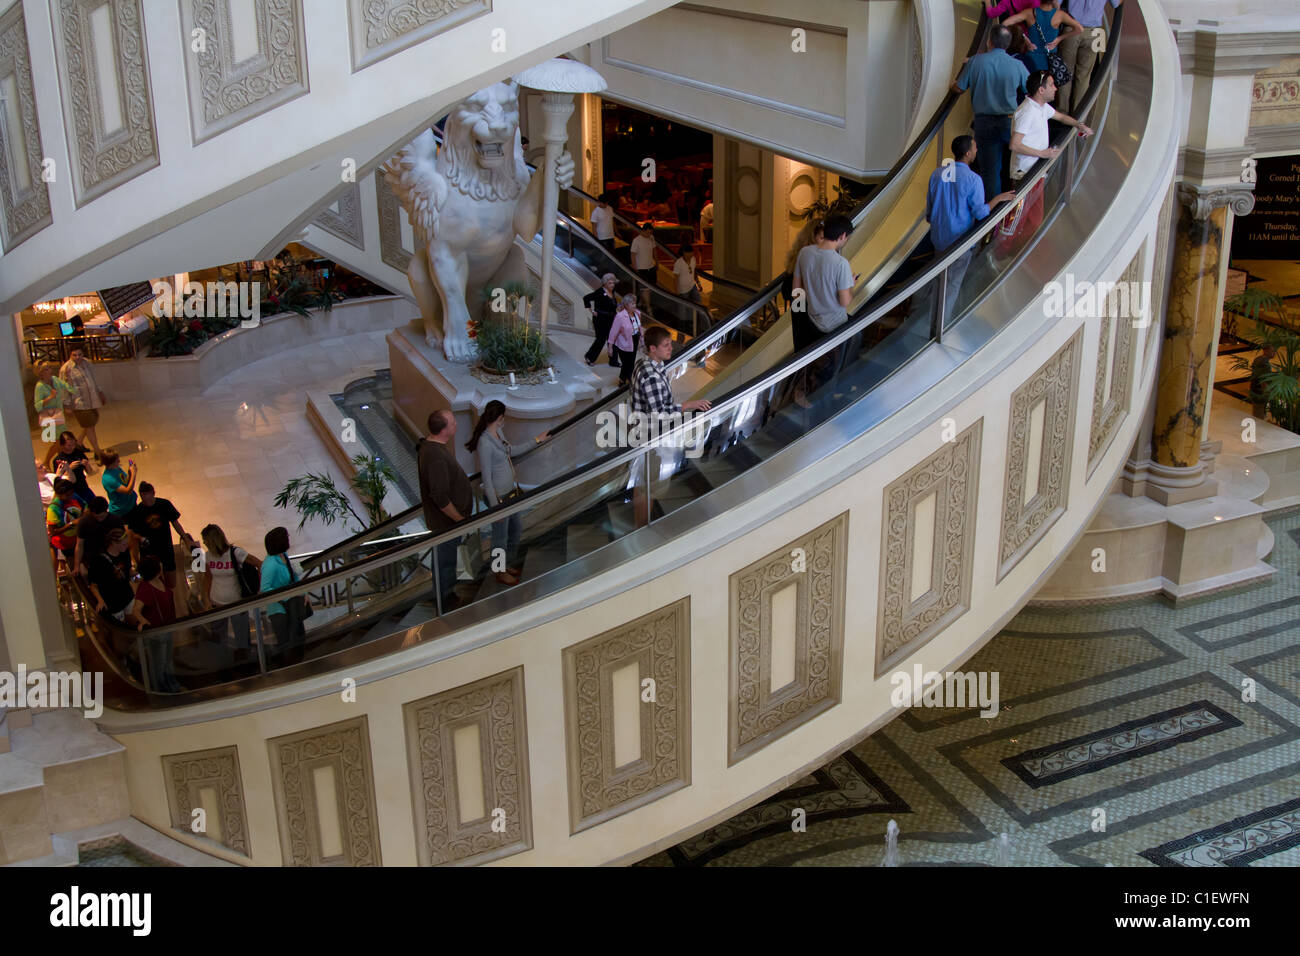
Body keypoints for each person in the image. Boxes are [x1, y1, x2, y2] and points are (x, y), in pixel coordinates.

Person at [913, 136, 1016, 322]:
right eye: (975, 147)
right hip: (961, 242)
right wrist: (998, 199)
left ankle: (924, 319)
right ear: (968, 153)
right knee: (951, 287)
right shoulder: (973, 179)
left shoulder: (937, 174)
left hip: (939, 239)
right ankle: (940, 326)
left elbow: (929, 212)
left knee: (939, 280)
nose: (977, 150)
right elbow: (981, 213)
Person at [999, 70, 1092, 258]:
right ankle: (1001, 255)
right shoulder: (1026, 112)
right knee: (1015, 221)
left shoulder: (1041, 108)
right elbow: (1015, 144)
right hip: (1024, 174)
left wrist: (1078, 125)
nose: (1055, 88)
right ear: (1040, 90)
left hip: (1036, 174)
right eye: (1051, 85)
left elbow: (1059, 116)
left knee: (1034, 221)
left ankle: (1017, 255)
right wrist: (1043, 153)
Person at [629, 326, 712, 526]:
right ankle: (642, 526)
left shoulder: (645, 364)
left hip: (643, 431)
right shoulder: (652, 376)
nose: (670, 349)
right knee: (648, 485)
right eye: (665, 345)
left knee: (644, 482)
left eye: (670, 344)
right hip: (650, 436)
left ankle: (642, 521)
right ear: (652, 348)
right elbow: (659, 413)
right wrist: (689, 405)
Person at [952, 25, 1030, 201]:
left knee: (990, 171)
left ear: (989, 42)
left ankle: (992, 216)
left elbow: (959, 88)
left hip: (983, 123)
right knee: (1019, 164)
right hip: (1010, 122)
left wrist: (952, 84)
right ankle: (1017, 205)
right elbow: (1030, 89)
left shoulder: (975, 62)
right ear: (1008, 45)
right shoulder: (1017, 65)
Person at [417, 410, 473, 611]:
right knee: (445, 562)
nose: (456, 424)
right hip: (446, 524)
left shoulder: (433, 448)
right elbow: (439, 496)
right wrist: (459, 519)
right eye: (452, 422)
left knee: (446, 560)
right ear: (444, 429)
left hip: (446, 523)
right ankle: (446, 602)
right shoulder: (435, 456)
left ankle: (446, 597)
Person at [466, 401, 522, 586]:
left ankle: (505, 566)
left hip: (510, 493)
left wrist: (537, 440)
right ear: (499, 418)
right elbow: (487, 479)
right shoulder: (485, 443)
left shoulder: (498, 433)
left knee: (515, 529)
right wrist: (495, 506)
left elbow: (510, 451)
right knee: (500, 538)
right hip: (499, 499)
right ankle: (498, 571)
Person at [127, 481, 194, 599]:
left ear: (153, 493)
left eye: (147, 495)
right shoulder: (137, 512)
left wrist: (186, 539)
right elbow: (133, 535)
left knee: (171, 581)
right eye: (143, 496)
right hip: (148, 551)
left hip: (165, 547)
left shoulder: (164, 504)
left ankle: (168, 595)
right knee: (152, 581)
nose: (146, 498)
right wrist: (136, 559)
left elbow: (175, 523)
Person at [200, 524, 261, 652]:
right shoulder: (208, 556)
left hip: (237, 603)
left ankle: (245, 660)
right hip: (216, 604)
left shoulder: (236, 553)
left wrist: (259, 589)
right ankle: (223, 661)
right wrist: (206, 600)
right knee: (218, 641)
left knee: (242, 640)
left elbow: (259, 564)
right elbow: (207, 578)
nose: (205, 544)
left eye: (206, 541)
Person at [1055, 0, 1121, 114]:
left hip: (1071, 28)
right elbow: (1116, 3)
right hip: (1095, 33)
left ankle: (1061, 113)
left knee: (1065, 72)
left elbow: (1055, 3)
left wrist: (1061, 16)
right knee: (1084, 76)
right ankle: (1078, 114)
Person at [133, 556, 182, 693]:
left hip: (166, 628)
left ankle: (172, 686)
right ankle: (161, 690)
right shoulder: (146, 588)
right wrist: (143, 621)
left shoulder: (159, 581)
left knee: (167, 661)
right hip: (156, 632)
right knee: (159, 664)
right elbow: (136, 609)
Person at [260, 526, 307, 665]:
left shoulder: (283, 556)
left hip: (291, 605)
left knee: (298, 636)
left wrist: (303, 593)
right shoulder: (270, 565)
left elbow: (292, 576)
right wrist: (285, 598)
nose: (289, 539)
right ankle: (289, 666)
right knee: (287, 641)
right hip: (279, 610)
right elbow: (265, 588)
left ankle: (298, 662)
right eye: (286, 537)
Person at [1004, 0, 1082, 80]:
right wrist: (1059, 39)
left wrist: (1024, 38)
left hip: (1032, 58)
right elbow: (1080, 29)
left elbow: (1005, 23)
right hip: (1049, 60)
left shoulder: (1029, 13)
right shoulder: (1059, 15)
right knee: (1047, 87)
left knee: (1031, 86)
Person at [87, 528, 147, 630]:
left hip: (127, 595)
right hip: (112, 602)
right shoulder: (99, 560)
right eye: (123, 544)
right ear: (113, 543)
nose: (126, 546)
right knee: (120, 629)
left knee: (133, 625)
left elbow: (128, 571)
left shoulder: (124, 553)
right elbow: (93, 585)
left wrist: (139, 576)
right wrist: (100, 601)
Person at [59, 345, 107, 457]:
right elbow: (64, 388)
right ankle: (97, 451)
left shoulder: (87, 363)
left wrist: (100, 392)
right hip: (79, 402)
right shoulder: (66, 369)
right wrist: (66, 404)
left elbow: (93, 379)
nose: (77, 357)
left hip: (91, 399)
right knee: (90, 426)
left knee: (92, 422)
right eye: (74, 355)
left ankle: (78, 443)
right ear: (70, 355)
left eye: (79, 354)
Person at [75, 496, 126, 578]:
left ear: (106, 510)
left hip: (112, 558)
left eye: (102, 516)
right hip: (91, 559)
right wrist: (76, 566)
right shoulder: (84, 522)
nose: (99, 519)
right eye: (96, 517)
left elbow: (123, 542)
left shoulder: (116, 521)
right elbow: (79, 544)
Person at [45, 430, 96, 505]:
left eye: (73, 445)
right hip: (71, 492)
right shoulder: (58, 460)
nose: (72, 447)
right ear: (62, 445)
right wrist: (69, 468)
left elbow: (89, 472)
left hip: (83, 487)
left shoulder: (78, 453)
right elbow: (59, 480)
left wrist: (87, 465)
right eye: (69, 445)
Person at [583, 273, 620, 366]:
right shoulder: (599, 292)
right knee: (601, 339)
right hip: (600, 319)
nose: (612, 285)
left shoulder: (613, 291)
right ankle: (589, 357)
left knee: (613, 339)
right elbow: (586, 298)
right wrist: (591, 311)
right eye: (610, 283)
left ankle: (613, 361)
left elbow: (612, 304)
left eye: (613, 283)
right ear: (605, 283)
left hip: (611, 318)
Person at [607, 294, 644, 388]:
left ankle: (622, 379)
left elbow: (639, 327)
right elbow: (613, 332)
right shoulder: (620, 316)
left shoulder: (637, 313)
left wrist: (642, 340)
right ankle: (632, 383)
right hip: (624, 343)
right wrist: (610, 347)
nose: (634, 305)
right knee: (628, 364)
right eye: (632, 303)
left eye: (635, 303)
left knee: (630, 362)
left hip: (634, 340)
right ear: (626, 305)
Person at [46, 478, 83, 567]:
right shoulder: (53, 509)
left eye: (71, 493)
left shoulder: (74, 497)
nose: (70, 496)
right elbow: (53, 532)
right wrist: (71, 524)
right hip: (66, 544)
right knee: (74, 567)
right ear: (60, 494)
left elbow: (85, 505)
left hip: (80, 538)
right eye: (67, 495)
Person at [32, 362, 73, 429]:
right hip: (48, 418)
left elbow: (69, 388)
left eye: (50, 368)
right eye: (46, 369)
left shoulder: (55, 379)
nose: (50, 370)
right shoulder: (40, 386)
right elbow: (37, 405)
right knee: (53, 438)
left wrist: (68, 377)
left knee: (63, 437)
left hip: (59, 416)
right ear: (41, 373)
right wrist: (50, 397)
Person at [98, 449, 138, 517]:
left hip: (130, 504)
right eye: (117, 460)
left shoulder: (116, 468)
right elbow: (128, 490)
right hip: (122, 510)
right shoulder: (108, 479)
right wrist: (134, 474)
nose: (119, 461)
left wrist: (130, 472)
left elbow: (125, 481)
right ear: (111, 463)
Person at [630, 222, 658, 307]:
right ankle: (648, 308)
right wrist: (635, 267)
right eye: (648, 232)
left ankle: (642, 301)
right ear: (643, 231)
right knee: (644, 288)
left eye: (651, 233)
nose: (649, 234)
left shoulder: (651, 238)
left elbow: (654, 250)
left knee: (650, 288)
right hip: (641, 268)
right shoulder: (636, 240)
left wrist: (657, 262)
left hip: (651, 267)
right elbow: (633, 254)